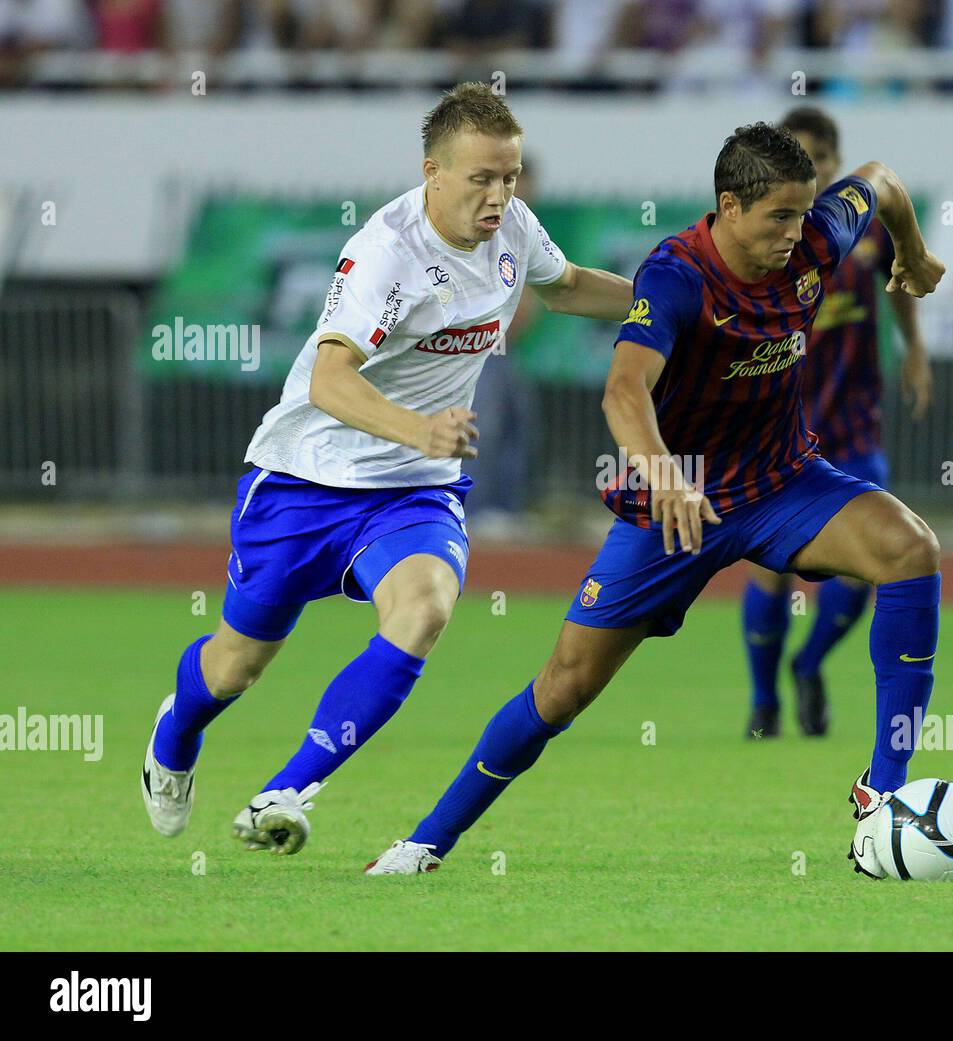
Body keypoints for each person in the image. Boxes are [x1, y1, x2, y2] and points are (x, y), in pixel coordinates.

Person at [364, 122, 946, 878]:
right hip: (674, 507)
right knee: (563, 687)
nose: (796, 233)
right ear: (729, 207)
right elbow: (623, 389)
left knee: (912, 549)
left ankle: (885, 797)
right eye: (779, 217)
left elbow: (883, 181)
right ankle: (424, 842)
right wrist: (667, 475)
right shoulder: (676, 275)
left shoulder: (816, 242)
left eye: (804, 214)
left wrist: (914, 251)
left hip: (782, 482)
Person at [139, 83, 633, 856]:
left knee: (426, 607)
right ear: (432, 171)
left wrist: (667, 310)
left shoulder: (512, 227)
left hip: (412, 490)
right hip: (307, 478)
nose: (500, 195)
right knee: (235, 666)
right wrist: (422, 428)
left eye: (509, 177)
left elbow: (564, 285)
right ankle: (176, 730)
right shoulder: (386, 253)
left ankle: (291, 786)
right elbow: (328, 380)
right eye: (482, 179)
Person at [741, 106, 931, 739]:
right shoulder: (764, 235)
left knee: (870, 561)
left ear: (834, 161)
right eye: (799, 156)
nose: (814, 167)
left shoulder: (860, 231)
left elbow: (901, 282)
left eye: (821, 157)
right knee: (769, 567)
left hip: (853, 427)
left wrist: (914, 350)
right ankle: (764, 703)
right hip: (778, 432)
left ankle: (809, 661)